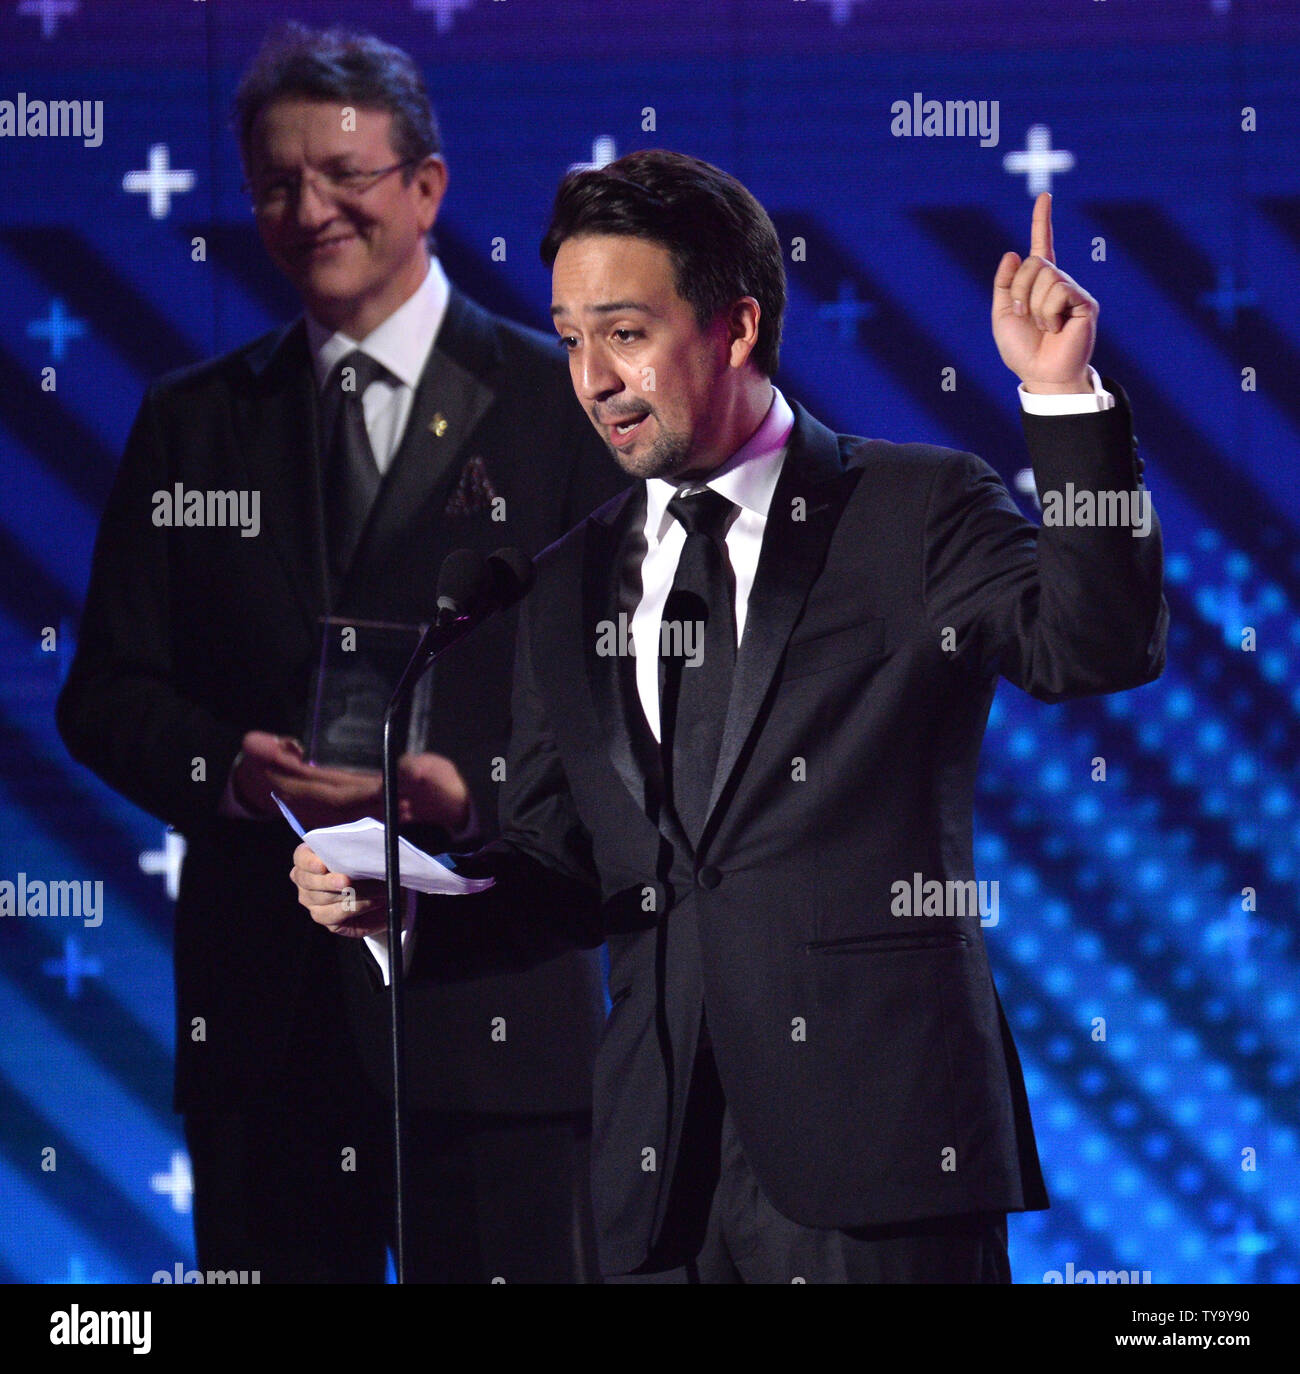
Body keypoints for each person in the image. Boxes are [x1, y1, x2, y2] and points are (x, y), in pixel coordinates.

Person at [292, 149, 1169, 1283]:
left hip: (880, 1160)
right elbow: (561, 864)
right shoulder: (566, 579)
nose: (592, 377)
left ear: (736, 325)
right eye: (567, 338)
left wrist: (1061, 398)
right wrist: (400, 903)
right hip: (656, 1185)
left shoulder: (911, 507)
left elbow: (1095, 646)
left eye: (623, 332)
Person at [56, 24, 622, 1283]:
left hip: (497, 1009)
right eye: (274, 182)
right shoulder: (191, 423)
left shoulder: (561, 403)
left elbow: (635, 688)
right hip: (264, 1028)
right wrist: (231, 769)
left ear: (424, 184)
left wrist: (473, 792)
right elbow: (103, 693)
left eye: (344, 174)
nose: (309, 208)